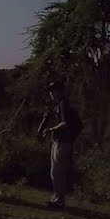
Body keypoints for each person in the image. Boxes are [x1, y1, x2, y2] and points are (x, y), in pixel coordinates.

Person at [37, 79, 82, 209]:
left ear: (59, 91)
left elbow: (65, 123)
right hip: (58, 140)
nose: (51, 93)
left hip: (64, 141)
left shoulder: (63, 104)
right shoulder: (57, 104)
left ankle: (59, 201)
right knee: (54, 171)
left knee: (58, 172)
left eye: (53, 91)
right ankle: (56, 197)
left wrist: (50, 129)